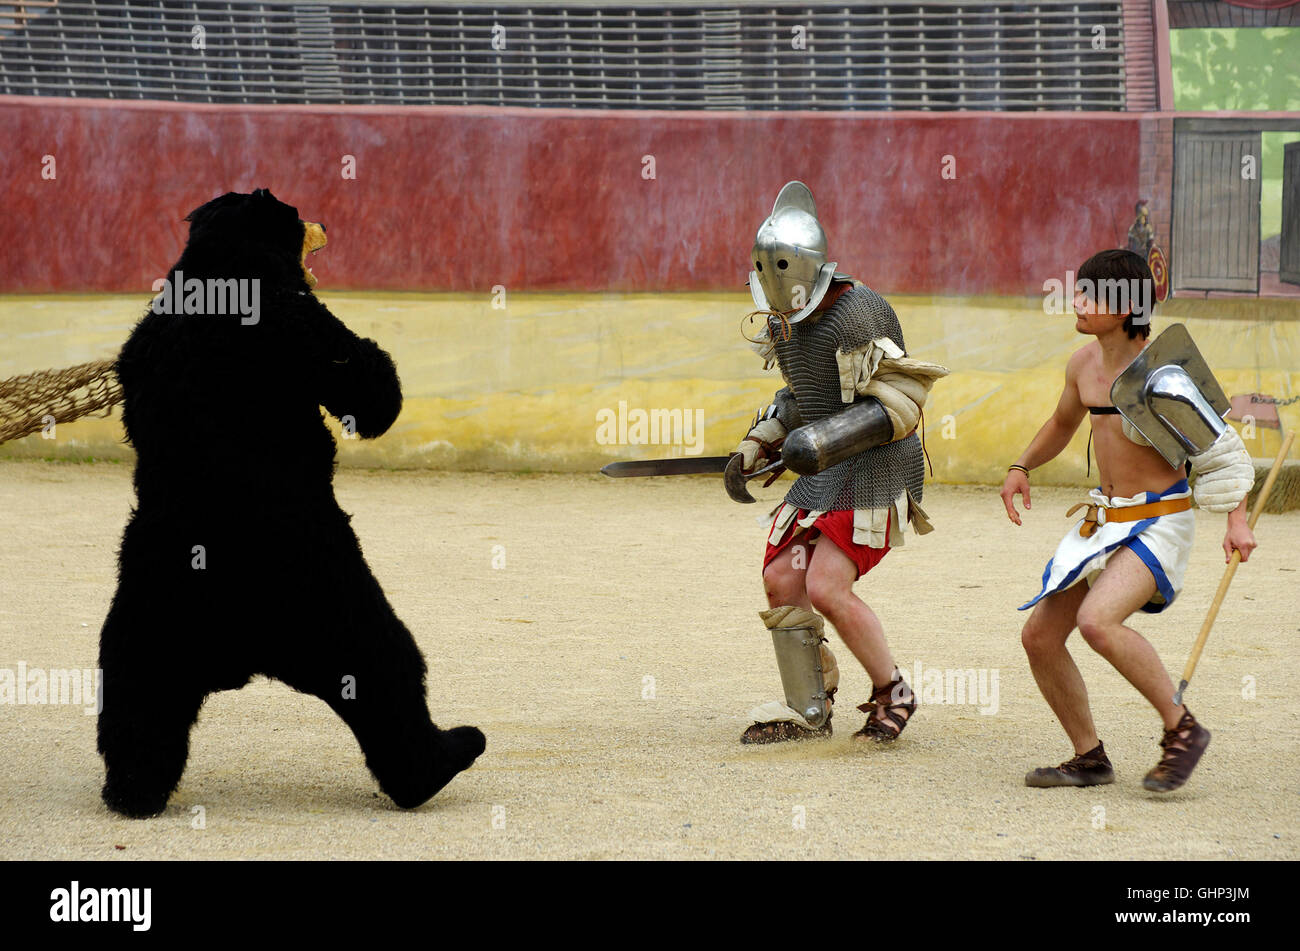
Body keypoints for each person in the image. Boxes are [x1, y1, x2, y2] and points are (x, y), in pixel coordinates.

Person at [1001, 249, 1257, 792]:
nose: (1078, 300)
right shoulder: (1081, 365)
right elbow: (1061, 422)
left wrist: (1237, 520)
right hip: (1105, 521)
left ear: (1125, 308)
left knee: (1097, 621)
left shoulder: (1164, 373)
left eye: (1091, 293)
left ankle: (1181, 728)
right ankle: (1089, 757)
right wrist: (1021, 465)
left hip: (1159, 521)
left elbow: (1221, 452)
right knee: (1040, 637)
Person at [733, 181, 945, 745]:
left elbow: (900, 401)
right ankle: (809, 705)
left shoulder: (859, 313)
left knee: (826, 585)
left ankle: (892, 690)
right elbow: (801, 396)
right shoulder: (783, 321)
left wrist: (820, 439)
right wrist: (759, 444)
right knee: (781, 578)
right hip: (825, 472)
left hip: (877, 467)